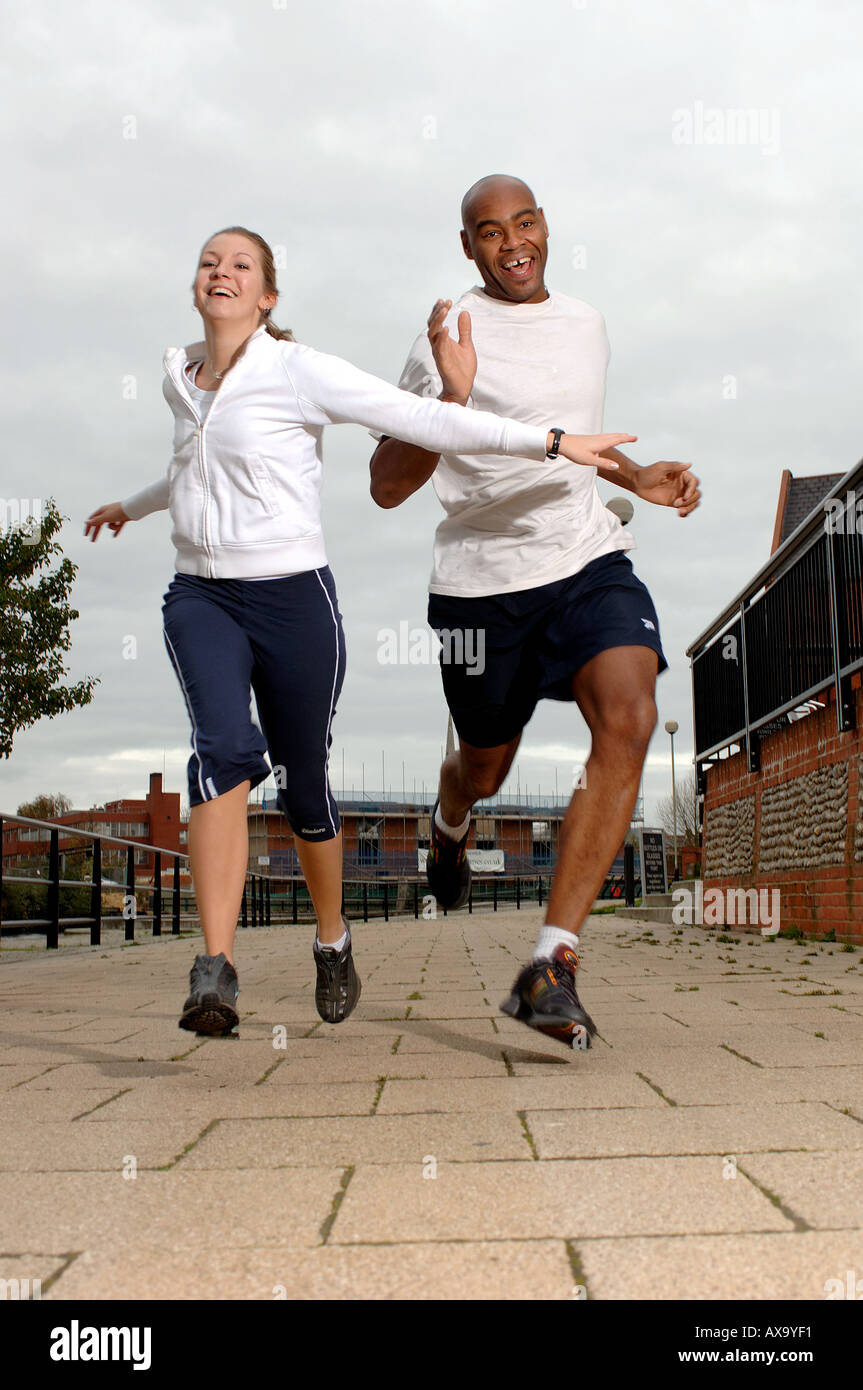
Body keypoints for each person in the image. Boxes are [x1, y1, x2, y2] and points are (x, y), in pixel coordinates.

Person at [85, 223, 633, 1037]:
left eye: (240, 265)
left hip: (293, 599)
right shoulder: (180, 376)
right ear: (196, 287)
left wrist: (550, 441)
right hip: (201, 597)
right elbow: (189, 465)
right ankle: (215, 968)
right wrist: (129, 508)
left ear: (267, 296)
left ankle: (332, 940)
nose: (220, 272)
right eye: (209, 262)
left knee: (306, 784)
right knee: (225, 753)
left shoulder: (299, 372)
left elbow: (430, 423)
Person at [369, 176, 701, 1051]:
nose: (511, 243)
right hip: (481, 587)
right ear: (467, 245)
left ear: (545, 228)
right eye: (489, 232)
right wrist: (447, 396)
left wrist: (639, 480)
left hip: (587, 559)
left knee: (631, 714)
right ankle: (448, 828)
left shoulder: (586, 323)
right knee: (484, 767)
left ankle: (552, 963)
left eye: (523, 223)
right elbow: (385, 488)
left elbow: (571, 443)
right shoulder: (443, 338)